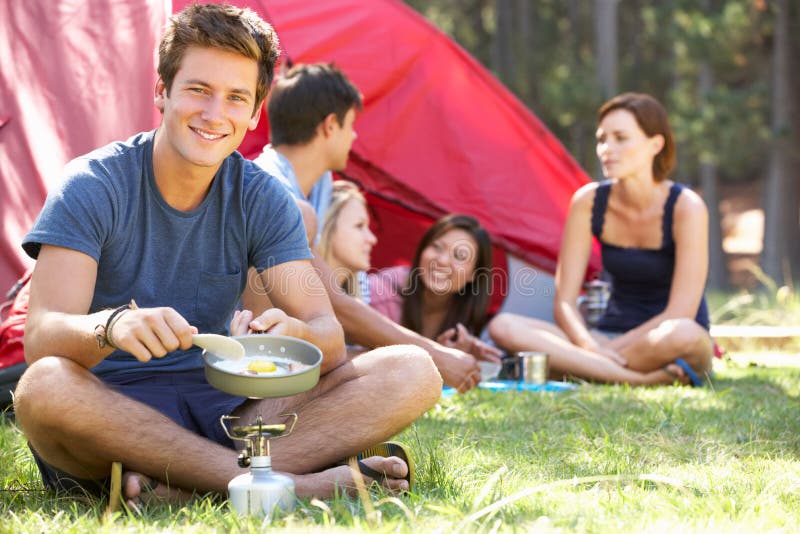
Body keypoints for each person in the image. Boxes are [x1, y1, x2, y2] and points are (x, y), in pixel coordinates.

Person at [13, 3, 442, 508]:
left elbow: (327, 338)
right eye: (198, 89)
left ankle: (183, 487)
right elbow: (41, 338)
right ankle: (291, 485)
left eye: (236, 97)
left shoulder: (262, 197)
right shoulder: (91, 185)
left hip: (230, 414)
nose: (215, 114)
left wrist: (297, 335)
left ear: (255, 112)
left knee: (413, 370)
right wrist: (110, 327)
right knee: (43, 387)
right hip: (113, 414)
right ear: (161, 91)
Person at [246, 63, 498, 393]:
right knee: (404, 374)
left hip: (287, 344)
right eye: (351, 126)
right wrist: (437, 356)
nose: (354, 137)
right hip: (248, 351)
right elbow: (334, 306)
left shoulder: (317, 185)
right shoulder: (275, 192)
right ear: (330, 126)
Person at [488, 92, 713, 386]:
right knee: (504, 326)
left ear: (655, 145)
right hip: (604, 336)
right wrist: (590, 346)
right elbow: (565, 303)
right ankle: (640, 380)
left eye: (621, 138)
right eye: (602, 139)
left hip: (665, 339)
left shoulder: (687, 207)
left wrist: (603, 353)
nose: (607, 149)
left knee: (684, 333)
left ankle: (579, 370)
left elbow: (679, 312)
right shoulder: (588, 201)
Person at [366, 214, 502, 362]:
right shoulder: (381, 293)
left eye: (460, 256)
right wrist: (441, 356)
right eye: (437, 247)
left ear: (475, 274)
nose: (442, 261)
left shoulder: (463, 315)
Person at [316, 181, 377, 300]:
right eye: (359, 226)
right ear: (327, 227)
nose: (372, 239)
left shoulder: (361, 296)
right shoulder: (290, 298)